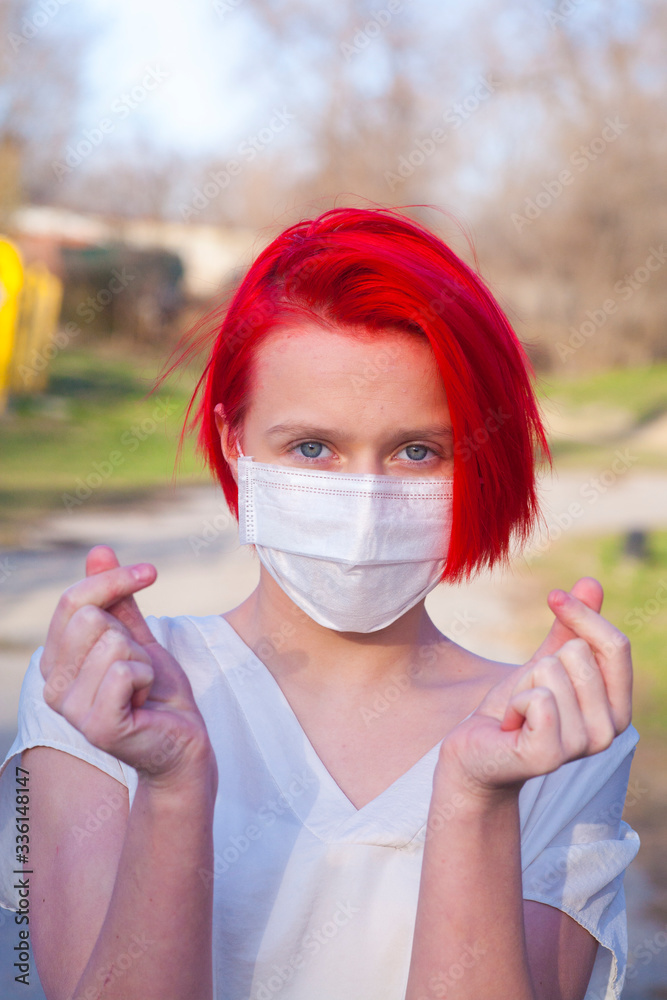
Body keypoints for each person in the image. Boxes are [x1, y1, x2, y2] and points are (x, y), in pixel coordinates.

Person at [0, 206, 638, 1000]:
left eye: (416, 451)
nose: (363, 498)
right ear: (235, 440)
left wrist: (476, 799)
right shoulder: (100, 690)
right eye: (312, 448)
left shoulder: (555, 737)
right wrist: (172, 788)